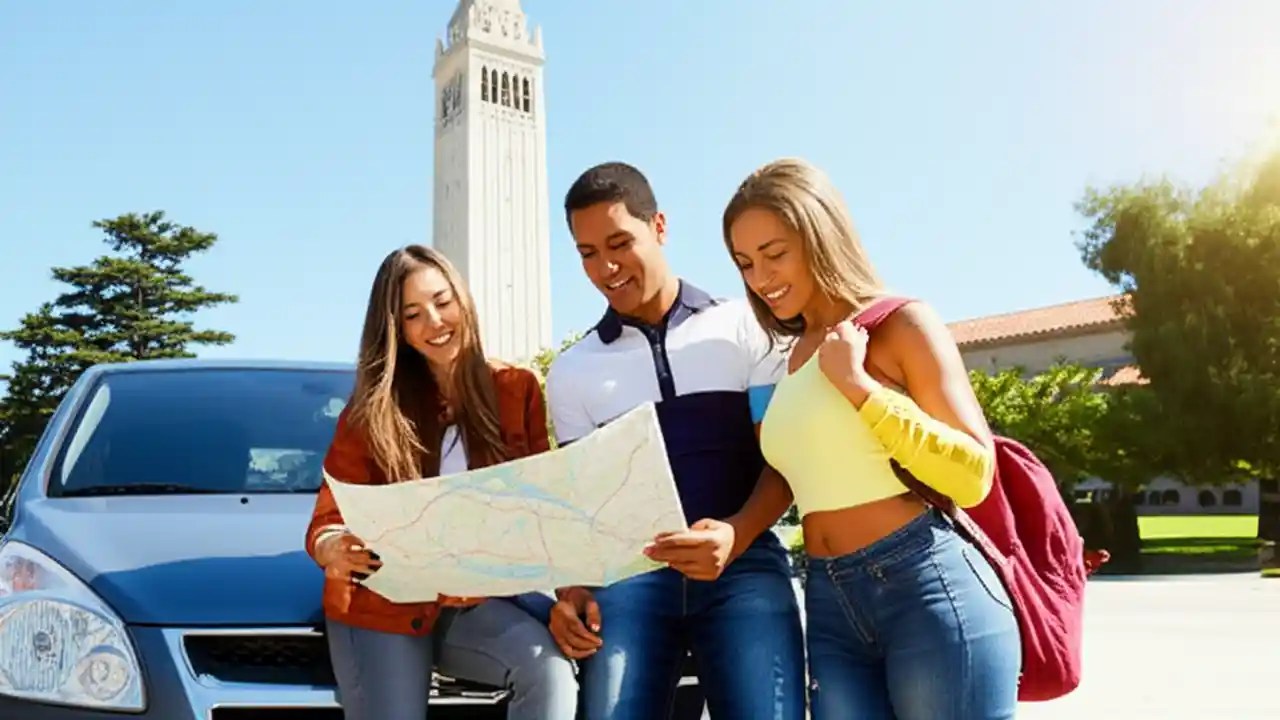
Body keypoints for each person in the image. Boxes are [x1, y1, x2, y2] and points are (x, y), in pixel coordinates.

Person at [721, 157, 1022, 720]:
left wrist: (861, 388)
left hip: (925, 586)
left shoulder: (901, 324)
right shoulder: (789, 358)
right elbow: (797, 470)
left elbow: (974, 475)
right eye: (745, 263)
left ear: (820, 235)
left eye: (774, 253)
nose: (760, 278)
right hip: (828, 599)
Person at [543, 162, 806, 720]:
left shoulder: (746, 326)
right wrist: (569, 590)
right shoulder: (571, 372)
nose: (606, 267)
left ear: (659, 226)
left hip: (745, 562)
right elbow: (581, 506)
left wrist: (736, 534)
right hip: (631, 577)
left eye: (620, 243)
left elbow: (786, 463)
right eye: (588, 253)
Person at [304, 245, 578, 720]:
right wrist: (333, 546)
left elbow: (543, 506)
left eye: (442, 301)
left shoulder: (516, 389)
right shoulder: (370, 413)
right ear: (397, 330)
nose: (434, 321)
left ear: (462, 300)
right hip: (382, 601)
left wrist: (569, 589)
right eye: (413, 314)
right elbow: (328, 518)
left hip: (474, 602)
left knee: (548, 672)